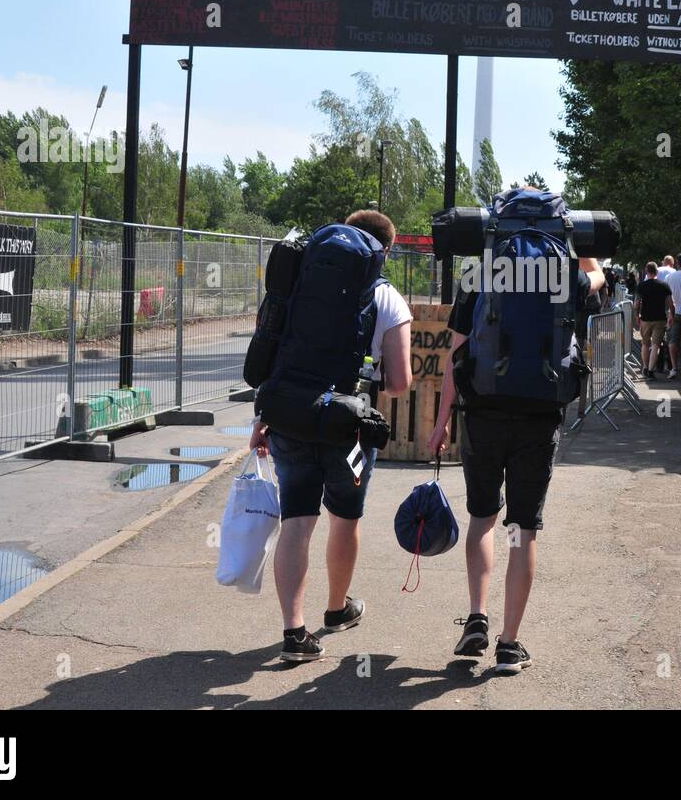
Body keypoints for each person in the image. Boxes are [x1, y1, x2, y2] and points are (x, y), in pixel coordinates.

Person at [428, 188, 605, 674]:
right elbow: (599, 275)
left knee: (483, 517)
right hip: (539, 411)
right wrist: (572, 238)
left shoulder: (480, 270)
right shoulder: (565, 272)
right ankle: (510, 644)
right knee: (522, 529)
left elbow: (456, 356)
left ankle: (477, 619)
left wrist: (442, 421)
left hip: (483, 409)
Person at [249, 209, 413, 663]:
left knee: (297, 521)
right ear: (386, 249)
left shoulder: (299, 280)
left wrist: (260, 421)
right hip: (348, 428)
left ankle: (294, 633)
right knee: (344, 517)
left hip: (287, 416)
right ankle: (338, 610)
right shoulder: (385, 296)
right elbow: (399, 382)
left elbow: (271, 349)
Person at [633, 261, 673, 380]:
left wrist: (637, 316)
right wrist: (672, 316)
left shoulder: (641, 286)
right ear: (657, 271)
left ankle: (645, 367)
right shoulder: (664, 285)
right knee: (656, 345)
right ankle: (650, 370)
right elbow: (671, 304)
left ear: (646, 271)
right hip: (660, 319)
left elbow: (636, 304)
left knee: (645, 344)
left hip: (645, 318)